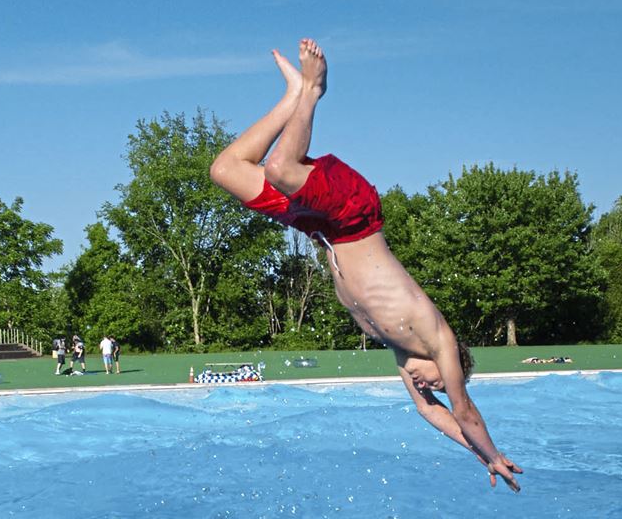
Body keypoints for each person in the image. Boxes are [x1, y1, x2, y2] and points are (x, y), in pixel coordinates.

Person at [209, 39, 521, 492]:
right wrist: (494, 453)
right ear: (453, 368)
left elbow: (429, 412)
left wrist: (475, 457)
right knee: (279, 167)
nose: (423, 384)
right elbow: (462, 410)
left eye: (425, 385)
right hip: (354, 214)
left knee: (226, 169)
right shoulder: (440, 343)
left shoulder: (401, 353)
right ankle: (314, 90)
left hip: (320, 226)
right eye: (434, 383)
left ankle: (292, 94)